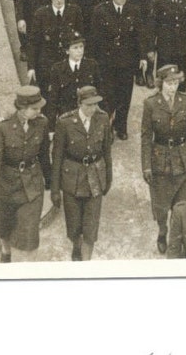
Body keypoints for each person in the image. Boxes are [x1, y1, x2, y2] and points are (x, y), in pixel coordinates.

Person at [0, 84, 52, 263]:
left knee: (30, 234)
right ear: (22, 109)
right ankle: (6, 251)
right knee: (4, 225)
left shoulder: (42, 123)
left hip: (32, 185)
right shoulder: (3, 126)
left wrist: (52, 183)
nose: (39, 111)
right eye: (34, 108)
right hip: (7, 184)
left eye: (39, 108)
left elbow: (44, 155)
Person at [140, 62, 186, 253]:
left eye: (176, 82)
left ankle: (176, 235)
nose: (173, 87)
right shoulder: (150, 104)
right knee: (161, 204)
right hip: (160, 159)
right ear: (161, 83)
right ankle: (162, 230)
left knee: (181, 204)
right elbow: (145, 137)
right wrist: (146, 166)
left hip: (183, 158)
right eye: (169, 83)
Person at [51, 84, 114, 261]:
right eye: (88, 105)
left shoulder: (102, 119)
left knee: (91, 226)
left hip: (95, 177)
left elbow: (106, 151)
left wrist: (108, 177)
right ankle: (76, 244)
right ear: (79, 103)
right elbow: (57, 158)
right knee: (73, 223)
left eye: (95, 104)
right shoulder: (64, 123)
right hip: (72, 178)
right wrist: (55, 190)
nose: (92, 108)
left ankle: (86, 263)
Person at [88, 0, 147, 140]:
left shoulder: (133, 10)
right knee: (107, 96)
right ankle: (107, 128)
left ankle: (121, 126)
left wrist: (143, 56)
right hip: (106, 61)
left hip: (127, 61)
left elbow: (139, 35)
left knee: (125, 95)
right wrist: (92, 62)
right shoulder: (100, 11)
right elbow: (94, 39)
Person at [44, 32, 102, 133]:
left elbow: (100, 91)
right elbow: (53, 99)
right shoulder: (57, 69)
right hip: (67, 118)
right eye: (75, 48)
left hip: (88, 116)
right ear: (67, 51)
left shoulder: (92, 65)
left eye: (81, 47)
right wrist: (51, 128)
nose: (79, 51)